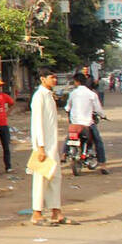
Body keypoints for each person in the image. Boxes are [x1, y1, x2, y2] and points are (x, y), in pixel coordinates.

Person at [28, 68, 65, 226]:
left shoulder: (49, 95)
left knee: (55, 177)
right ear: (43, 79)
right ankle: (36, 213)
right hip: (43, 146)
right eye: (52, 77)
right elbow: (37, 124)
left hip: (52, 145)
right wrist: (40, 147)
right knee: (41, 179)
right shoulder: (39, 97)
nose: (55, 80)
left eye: (55, 77)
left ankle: (56, 211)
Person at [65, 72, 108, 174]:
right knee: (98, 142)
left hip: (75, 123)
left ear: (76, 82)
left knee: (68, 137)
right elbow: (98, 109)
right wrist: (103, 116)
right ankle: (103, 165)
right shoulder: (91, 94)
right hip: (87, 123)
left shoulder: (73, 93)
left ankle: (63, 154)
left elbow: (67, 107)